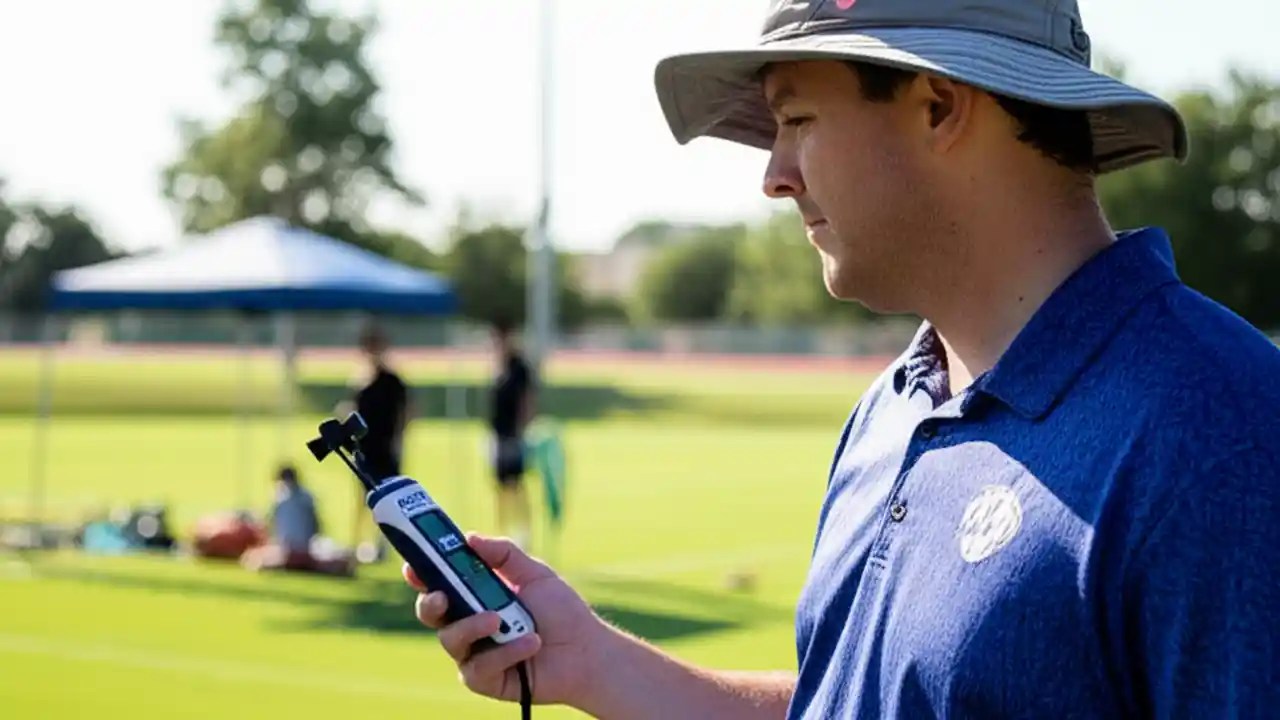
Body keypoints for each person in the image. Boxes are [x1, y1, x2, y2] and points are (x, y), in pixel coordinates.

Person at [405, 2, 1280, 718]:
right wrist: (594, 665)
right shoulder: (896, 407)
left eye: (796, 119)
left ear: (939, 106)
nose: (773, 175)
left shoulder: (1220, 439)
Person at [338, 321, 410, 560]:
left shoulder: (392, 380)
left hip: (385, 445)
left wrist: (399, 440)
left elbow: (405, 412)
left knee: (386, 499)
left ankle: (382, 544)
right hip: (364, 447)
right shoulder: (360, 380)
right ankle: (357, 542)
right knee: (361, 497)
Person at [241, 465, 353, 576]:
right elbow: (317, 527)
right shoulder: (307, 496)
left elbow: (268, 526)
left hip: (288, 551)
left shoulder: (279, 498)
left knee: (256, 557)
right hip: (306, 550)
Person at [487, 318, 536, 551]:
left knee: (516, 484)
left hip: (513, 433)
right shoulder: (499, 367)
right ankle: (503, 531)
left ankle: (523, 532)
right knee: (499, 485)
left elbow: (527, 401)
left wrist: (522, 429)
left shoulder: (519, 367)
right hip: (498, 432)